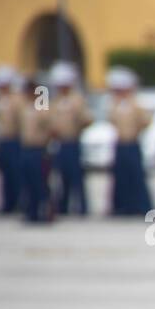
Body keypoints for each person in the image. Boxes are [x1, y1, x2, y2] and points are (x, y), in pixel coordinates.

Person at [106, 66, 152, 217]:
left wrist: (136, 130)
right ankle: (121, 206)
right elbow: (111, 120)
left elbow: (145, 120)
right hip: (120, 143)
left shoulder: (135, 104)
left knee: (136, 176)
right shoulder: (115, 105)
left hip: (132, 143)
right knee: (120, 177)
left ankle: (140, 205)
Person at [48, 62, 91, 216]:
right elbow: (50, 119)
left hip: (73, 141)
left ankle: (83, 207)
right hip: (60, 143)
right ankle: (63, 206)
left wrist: (78, 124)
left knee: (76, 177)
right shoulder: (55, 101)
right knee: (62, 176)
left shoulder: (77, 100)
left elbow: (87, 119)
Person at [18, 75, 53, 223]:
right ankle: (30, 212)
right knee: (28, 182)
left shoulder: (41, 106)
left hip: (39, 150)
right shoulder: (25, 107)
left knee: (41, 184)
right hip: (26, 149)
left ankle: (44, 213)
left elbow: (49, 124)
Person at [0, 65, 24, 214]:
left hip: (15, 140)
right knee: (5, 175)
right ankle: (7, 204)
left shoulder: (16, 99)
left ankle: (18, 203)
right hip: (4, 141)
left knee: (15, 174)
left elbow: (23, 120)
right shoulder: (0, 100)